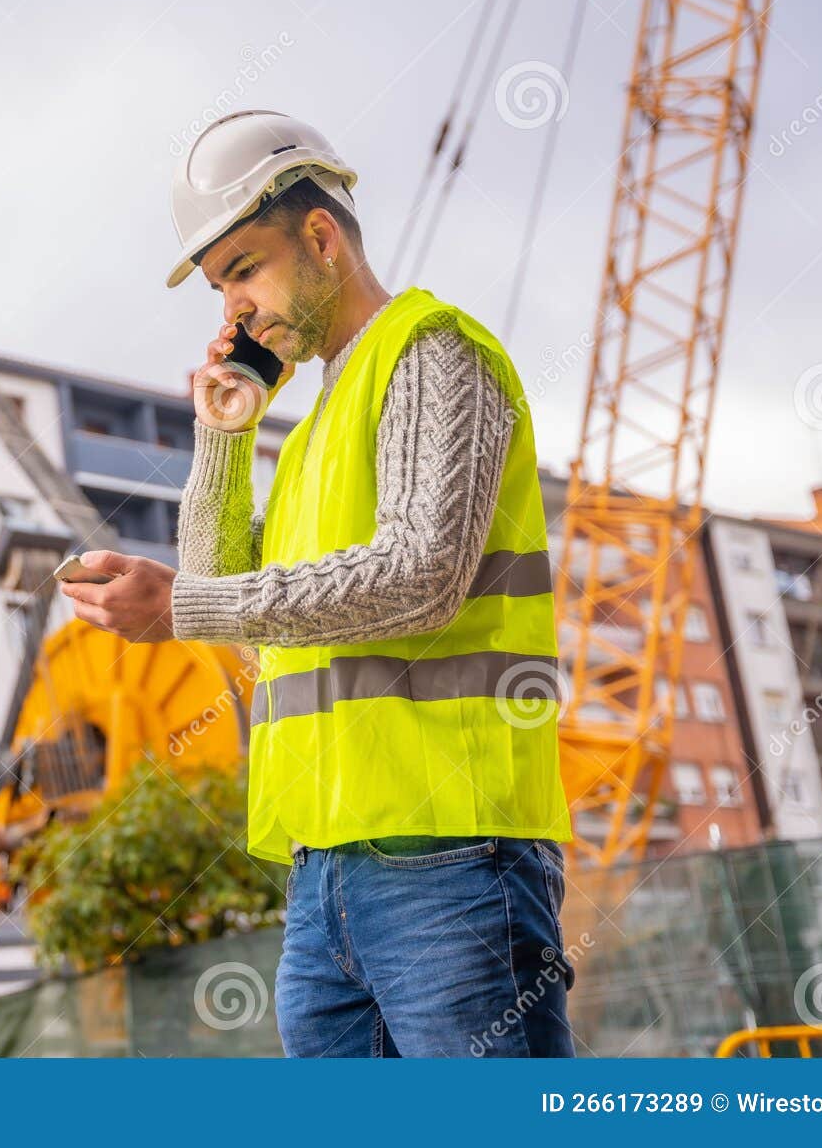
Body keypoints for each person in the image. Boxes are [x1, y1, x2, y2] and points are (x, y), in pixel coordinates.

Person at [58, 110, 577, 1057]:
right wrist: (224, 431)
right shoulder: (302, 445)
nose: (234, 311)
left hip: (451, 859)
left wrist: (179, 605)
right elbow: (230, 602)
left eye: (244, 271)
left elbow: (420, 576)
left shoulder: (430, 351)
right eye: (220, 289)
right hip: (322, 878)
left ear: (320, 236)